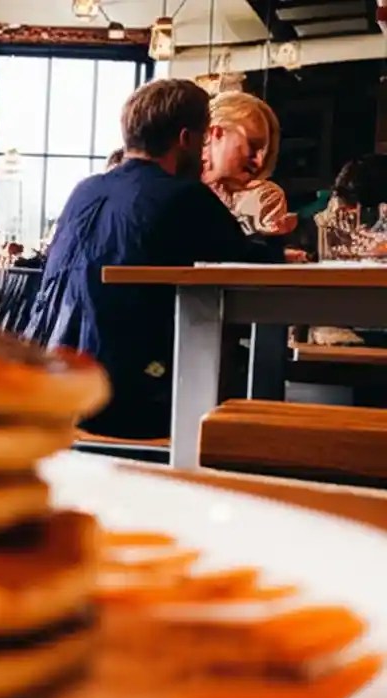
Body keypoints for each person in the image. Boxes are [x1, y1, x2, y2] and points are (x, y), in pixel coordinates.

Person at [23, 79, 286, 440]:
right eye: (202, 136)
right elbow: (249, 262)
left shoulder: (85, 190)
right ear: (185, 139)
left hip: (53, 386)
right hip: (127, 403)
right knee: (240, 377)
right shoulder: (183, 197)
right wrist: (277, 244)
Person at [202, 91, 298, 239]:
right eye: (253, 146)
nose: (259, 162)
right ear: (216, 133)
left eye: (266, 152)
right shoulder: (174, 185)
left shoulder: (263, 197)